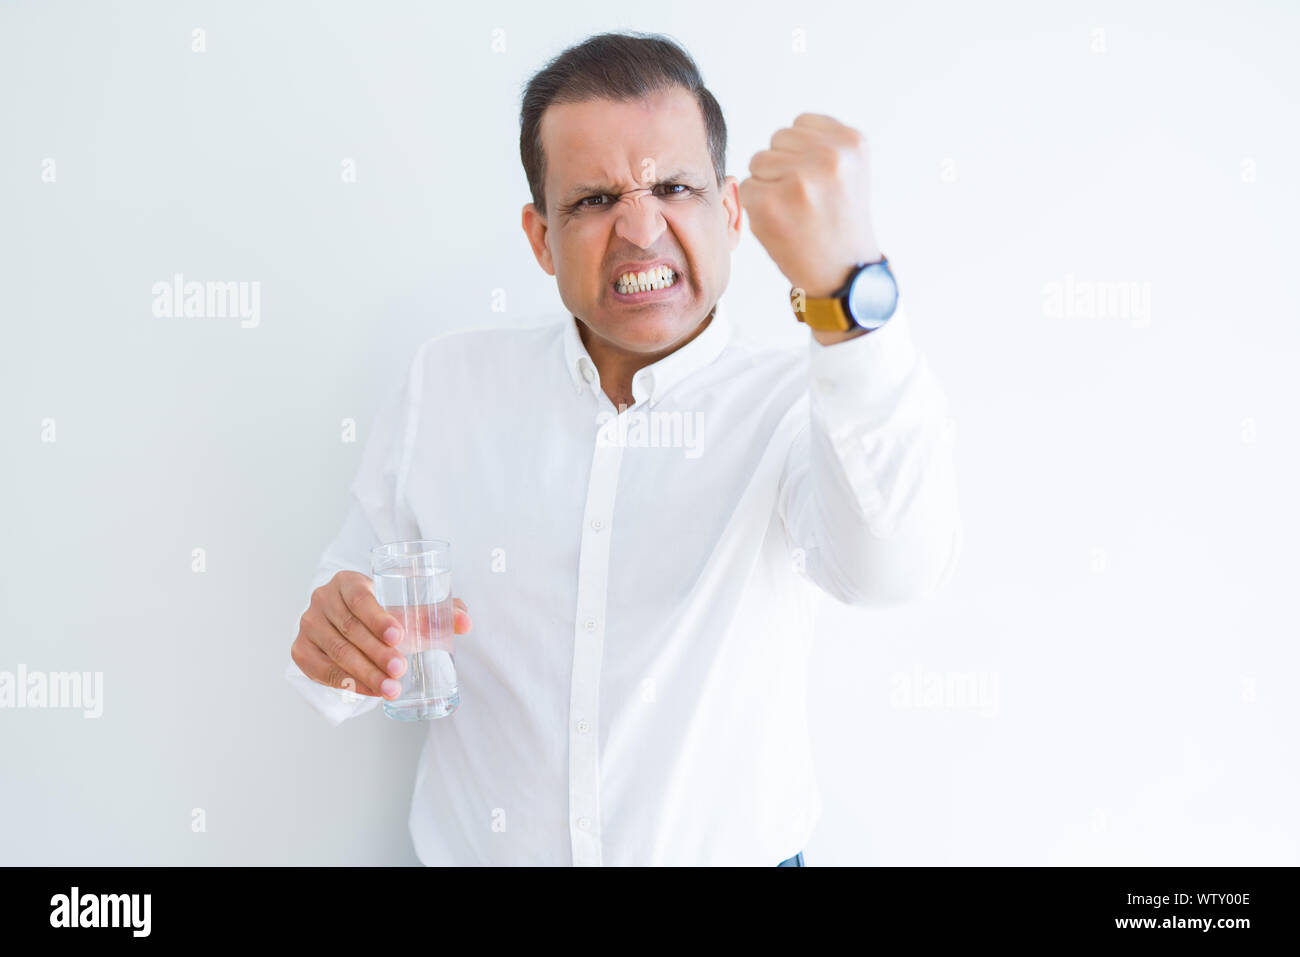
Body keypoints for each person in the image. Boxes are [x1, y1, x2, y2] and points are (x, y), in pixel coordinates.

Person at [287, 31, 962, 866]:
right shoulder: (447, 383)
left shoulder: (798, 404)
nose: (641, 229)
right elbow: (348, 608)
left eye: (675, 187)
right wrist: (333, 638)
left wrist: (850, 294)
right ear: (540, 239)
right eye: (595, 200)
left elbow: (892, 570)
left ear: (732, 212)